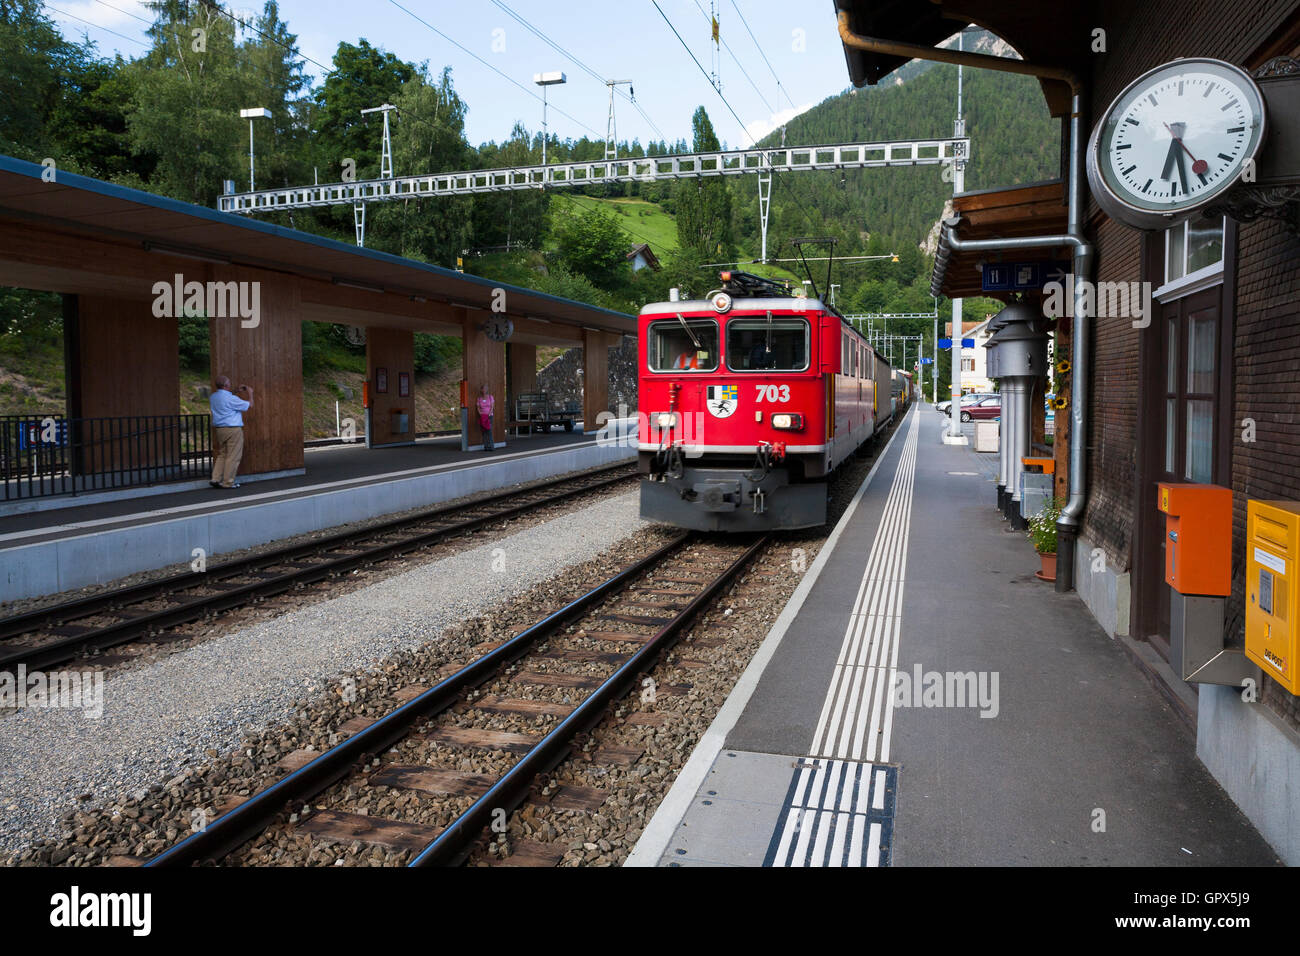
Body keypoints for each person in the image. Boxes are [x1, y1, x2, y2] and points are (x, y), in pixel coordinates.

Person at [209, 375, 252, 488]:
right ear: (226, 385)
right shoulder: (231, 399)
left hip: (220, 430)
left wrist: (236, 391)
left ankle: (215, 479)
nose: (230, 384)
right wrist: (250, 393)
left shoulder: (213, 397)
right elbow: (249, 405)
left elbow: (226, 397)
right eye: (229, 383)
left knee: (222, 455)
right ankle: (228, 482)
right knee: (233, 456)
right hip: (233, 430)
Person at [476, 383, 495, 451]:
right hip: (482, 417)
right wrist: (480, 413)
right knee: (483, 432)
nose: (484, 390)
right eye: (483, 388)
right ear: (481, 390)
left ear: (487, 390)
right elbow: (478, 407)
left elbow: (492, 406)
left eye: (485, 388)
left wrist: (489, 413)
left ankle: (491, 447)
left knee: (489, 431)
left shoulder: (490, 397)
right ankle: (486, 447)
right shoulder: (479, 398)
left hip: (489, 416)